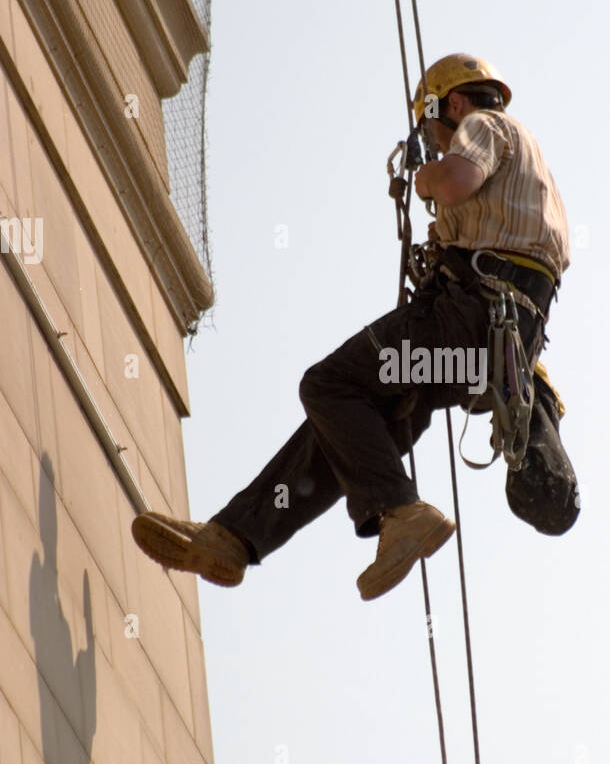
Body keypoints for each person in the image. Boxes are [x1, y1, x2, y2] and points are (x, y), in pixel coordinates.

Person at [131, 53, 573, 601]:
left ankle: (401, 511)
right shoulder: (538, 180)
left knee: (329, 385)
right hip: (481, 355)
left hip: (462, 321)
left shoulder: (484, 127)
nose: (435, 144)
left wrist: (429, 180)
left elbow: (458, 180)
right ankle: (235, 536)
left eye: (433, 129)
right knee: (354, 427)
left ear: (453, 104)